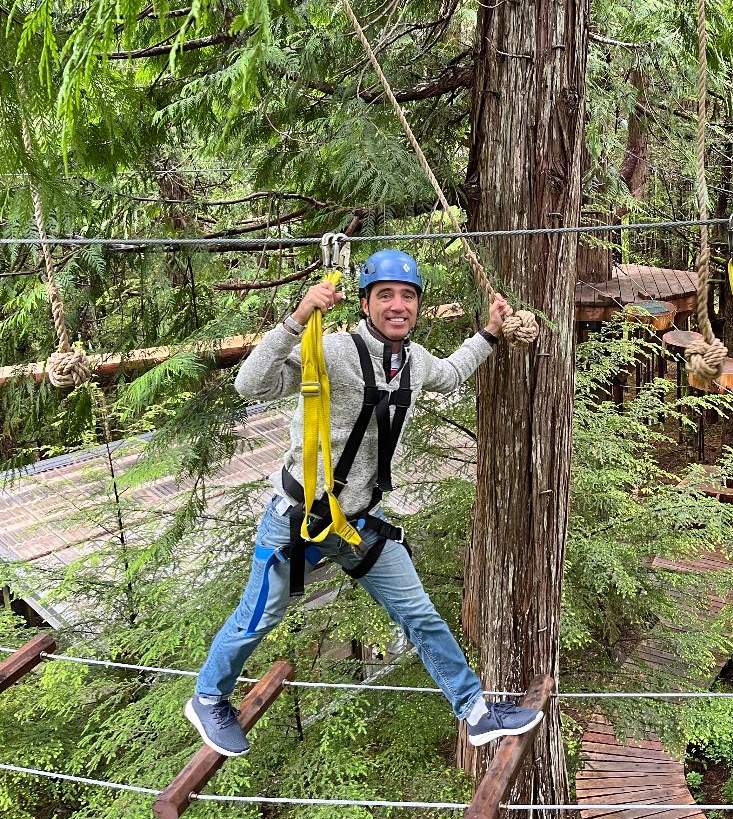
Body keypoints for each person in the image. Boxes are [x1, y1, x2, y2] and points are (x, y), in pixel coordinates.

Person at [186, 249, 543, 757]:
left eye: (407, 296)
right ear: (365, 303)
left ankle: (476, 713)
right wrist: (296, 320)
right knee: (258, 616)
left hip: (359, 523)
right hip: (298, 519)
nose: (398, 306)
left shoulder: (415, 362)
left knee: (420, 615)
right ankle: (207, 697)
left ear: (417, 305)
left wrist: (488, 333)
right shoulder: (331, 351)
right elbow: (252, 384)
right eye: (385, 295)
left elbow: (451, 373)